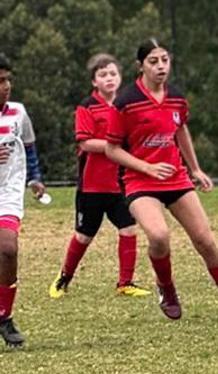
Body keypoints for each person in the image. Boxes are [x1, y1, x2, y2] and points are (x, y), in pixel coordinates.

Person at [105, 39, 218, 322]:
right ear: (140, 66)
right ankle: (166, 287)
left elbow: (181, 129)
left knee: (205, 241)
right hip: (139, 181)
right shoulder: (126, 102)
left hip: (175, 178)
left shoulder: (176, 98)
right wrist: (147, 167)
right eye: (153, 61)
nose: (161, 66)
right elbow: (112, 150)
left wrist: (195, 169)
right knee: (159, 236)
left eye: (165, 60)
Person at [50, 53, 150, 300]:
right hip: (92, 187)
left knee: (129, 229)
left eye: (113, 74)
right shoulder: (87, 107)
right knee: (84, 236)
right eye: (103, 75)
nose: (109, 78)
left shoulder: (125, 106)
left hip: (121, 185)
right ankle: (64, 278)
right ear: (94, 81)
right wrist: (114, 146)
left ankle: (125, 283)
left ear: (120, 77)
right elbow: (85, 142)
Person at [0, 55, 49, 348]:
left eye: (7, 80)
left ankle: (4, 316)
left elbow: (28, 147)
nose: (6, 86)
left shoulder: (18, 113)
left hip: (7, 192)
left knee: (8, 249)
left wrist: (35, 177)